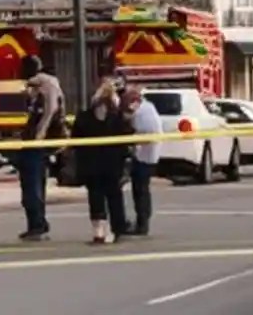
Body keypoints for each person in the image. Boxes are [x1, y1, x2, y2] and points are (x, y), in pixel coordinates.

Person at [71, 80, 134, 244]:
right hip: (113, 164)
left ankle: (99, 232)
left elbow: (74, 140)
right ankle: (118, 229)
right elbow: (128, 139)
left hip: (91, 165)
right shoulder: (118, 118)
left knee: (95, 197)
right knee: (115, 197)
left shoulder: (84, 117)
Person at [18, 55, 65, 242]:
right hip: (34, 141)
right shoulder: (39, 86)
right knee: (34, 183)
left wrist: (40, 132)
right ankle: (37, 223)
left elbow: (52, 107)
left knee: (32, 185)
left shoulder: (47, 83)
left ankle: (37, 225)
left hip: (37, 143)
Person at [122, 86, 160, 236]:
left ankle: (142, 223)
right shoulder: (147, 109)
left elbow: (143, 133)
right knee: (140, 190)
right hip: (146, 154)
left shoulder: (144, 112)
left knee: (141, 191)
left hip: (145, 156)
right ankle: (142, 222)